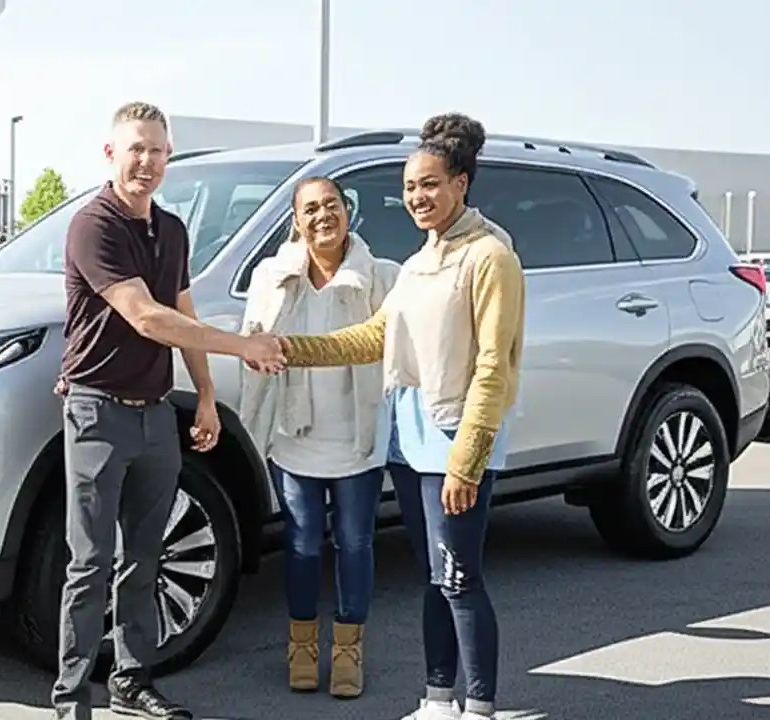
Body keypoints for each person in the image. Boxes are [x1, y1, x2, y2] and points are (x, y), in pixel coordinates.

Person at [275, 112, 526, 720]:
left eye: (431, 184)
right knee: (435, 580)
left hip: (453, 442)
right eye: (411, 187)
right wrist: (288, 349)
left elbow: (494, 365)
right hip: (409, 445)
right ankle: (439, 699)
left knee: (460, 579)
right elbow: (370, 338)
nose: (418, 197)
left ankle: (481, 707)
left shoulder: (489, 257)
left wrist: (467, 461)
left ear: (461, 182)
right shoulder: (418, 264)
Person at [53, 100, 286, 720]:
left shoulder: (172, 229)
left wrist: (207, 396)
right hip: (97, 413)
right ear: (111, 153)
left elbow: (184, 315)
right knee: (89, 563)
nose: (148, 162)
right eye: (136, 149)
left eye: (158, 150)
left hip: (156, 416)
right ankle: (72, 698)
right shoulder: (93, 225)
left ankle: (131, 681)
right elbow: (146, 316)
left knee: (144, 558)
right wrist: (245, 347)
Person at [237, 176, 399, 698]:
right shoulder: (273, 276)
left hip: (356, 438)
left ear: (347, 213)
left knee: (355, 542)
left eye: (331, 205)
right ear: (296, 220)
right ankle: (302, 644)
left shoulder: (381, 276)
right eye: (310, 209)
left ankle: (349, 649)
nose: (322, 215)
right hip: (295, 435)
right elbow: (252, 345)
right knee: (303, 544)